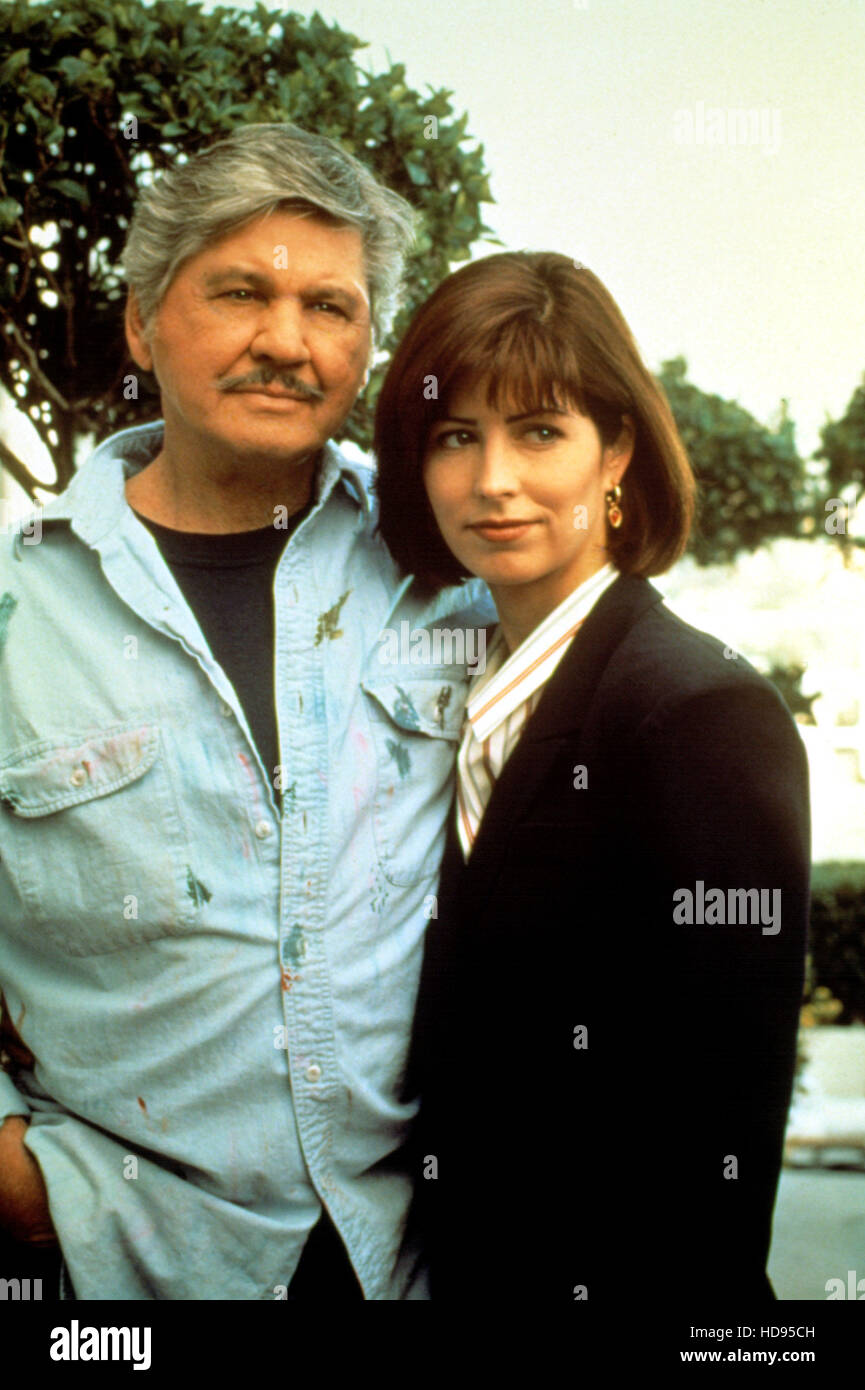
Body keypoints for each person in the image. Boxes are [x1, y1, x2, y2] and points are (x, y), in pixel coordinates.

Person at [0, 123, 491, 1300]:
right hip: (122, 1270)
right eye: (239, 293)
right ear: (140, 321)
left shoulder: (454, 571)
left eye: (331, 305)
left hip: (408, 1264)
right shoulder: (17, 608)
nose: (286, 342)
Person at [374, 251, 811, 1305]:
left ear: (616, 449)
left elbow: (717, 1150)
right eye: (454, 437)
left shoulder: (695, 710)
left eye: (539, 432)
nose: (492, 482)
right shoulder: (453, 696)